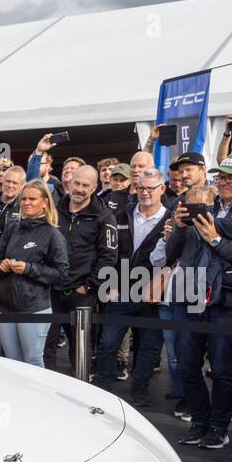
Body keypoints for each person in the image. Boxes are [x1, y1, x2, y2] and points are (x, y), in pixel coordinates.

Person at [167, 153, 232, 450]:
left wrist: (215, 239)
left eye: (230, 177)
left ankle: (219, 427)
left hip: (225, 298)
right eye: (221, 177)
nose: (223, 182)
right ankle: (200, 422)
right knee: (187, 365)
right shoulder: (201, 208)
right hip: (189, 294)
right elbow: (173, 252)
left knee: (224, 368)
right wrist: (178, 226)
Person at [95, 168, 171, 405]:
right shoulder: (120, 216)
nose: (145, 192)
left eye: (150, 188)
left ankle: (140, 388)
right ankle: (102, 387)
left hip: (152, 293)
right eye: (141, 188)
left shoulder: (171, 220)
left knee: (148, 346)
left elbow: (175, 257)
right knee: (108, 343)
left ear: (162, 189)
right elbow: (109, 252)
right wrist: (109, 284)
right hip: (120, 289)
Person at [44, 165, 117, 370]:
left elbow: (109, 257)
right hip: (52, 289)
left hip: (82, 292)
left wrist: (88, 286)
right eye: (77, 183)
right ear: (70, 182)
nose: (80, 188)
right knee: (46, 343)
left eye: (86, 185)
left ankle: (81, 385)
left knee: (81, 347)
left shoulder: (104, 216)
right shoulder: (55, 209)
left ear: (94, 187)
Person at [0, 180, 69, 366]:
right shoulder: (12, 229)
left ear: (45, 202)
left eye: (32, 199)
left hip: (34, 308)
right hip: (4, 306)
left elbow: (61, 273)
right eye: (24, 199)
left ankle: (39, 396)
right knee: (12, 362)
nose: (26, 203)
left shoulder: (53, 234)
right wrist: (1, 266)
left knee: (33, 361)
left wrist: (28, 268)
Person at [0, 165, 24, 233]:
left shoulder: (23, 208)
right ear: (3, 181)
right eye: (8, 181)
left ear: (22, 186)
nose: (10, 185)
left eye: (15, 183)